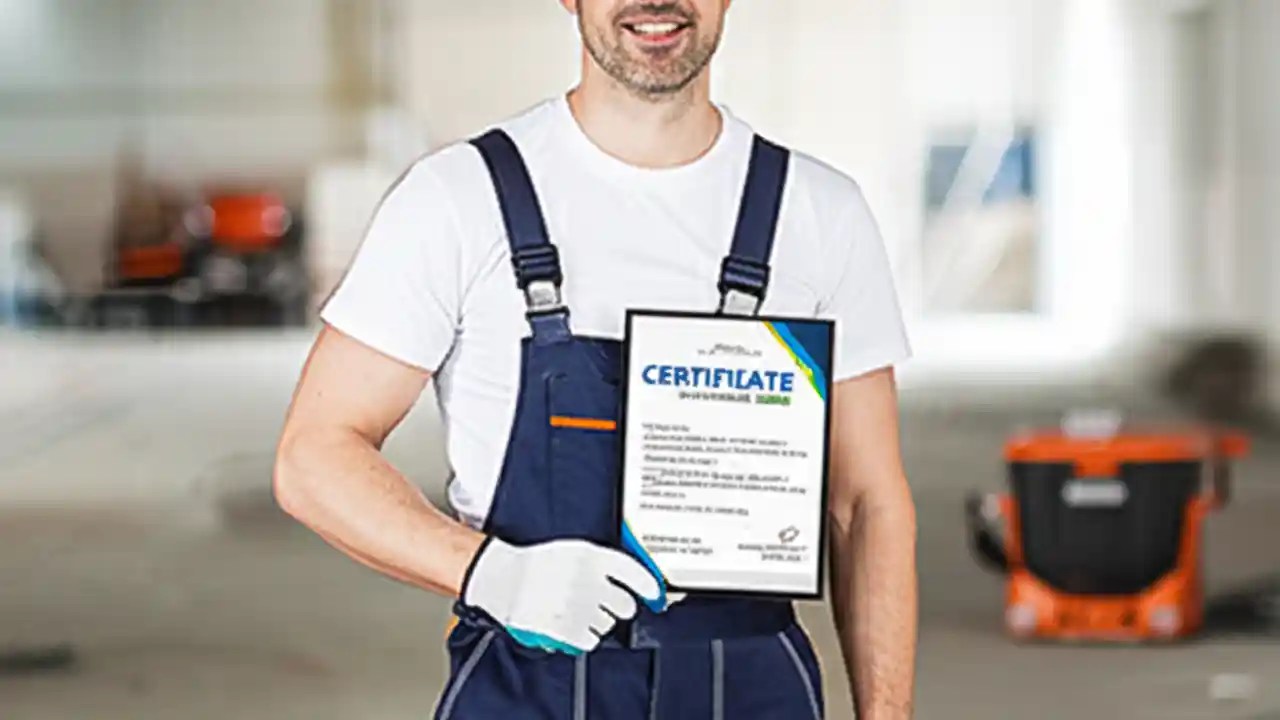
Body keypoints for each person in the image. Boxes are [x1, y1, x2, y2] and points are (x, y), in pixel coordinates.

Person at [273, 0, 918, 717]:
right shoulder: (458, 198)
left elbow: (866, 504)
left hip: (753, 691)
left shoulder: (820, 213)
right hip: (528, 690)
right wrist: (493, 574)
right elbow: (313, 457)